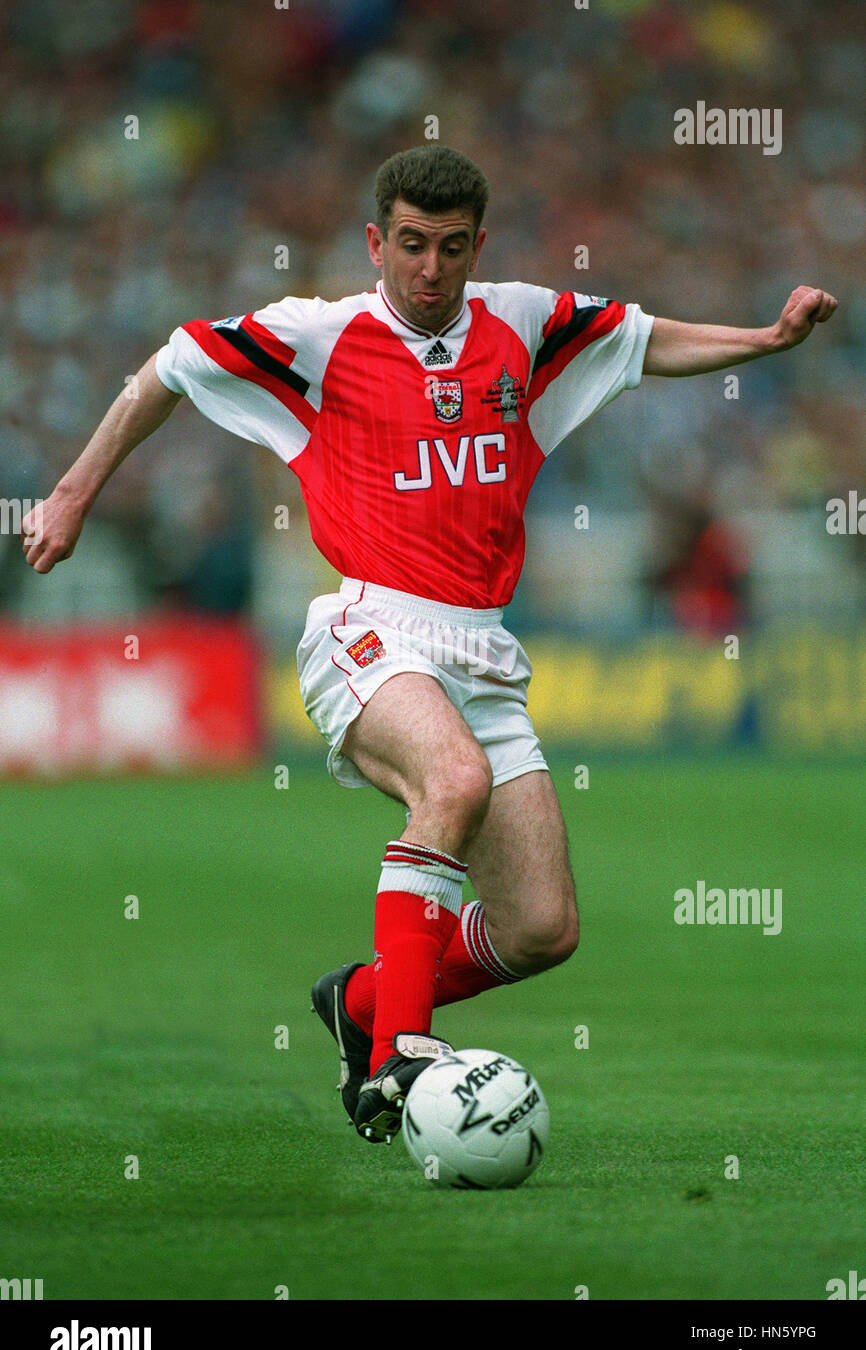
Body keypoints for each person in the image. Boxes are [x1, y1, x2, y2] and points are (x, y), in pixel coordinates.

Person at [23, 145, 837, 1144]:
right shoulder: (316, 337)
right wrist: (71, 491)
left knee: (541, 927)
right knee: (447, 779)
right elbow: (169, 368)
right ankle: (394, 1059)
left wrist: (766, 337)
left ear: (475, 246)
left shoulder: (524, 324)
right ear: (376, 241)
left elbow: (645, 341)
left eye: (450, 248)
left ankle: (359, 1003)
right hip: (367, 626)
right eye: (409, 245)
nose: (428, 269)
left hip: (482, 652)